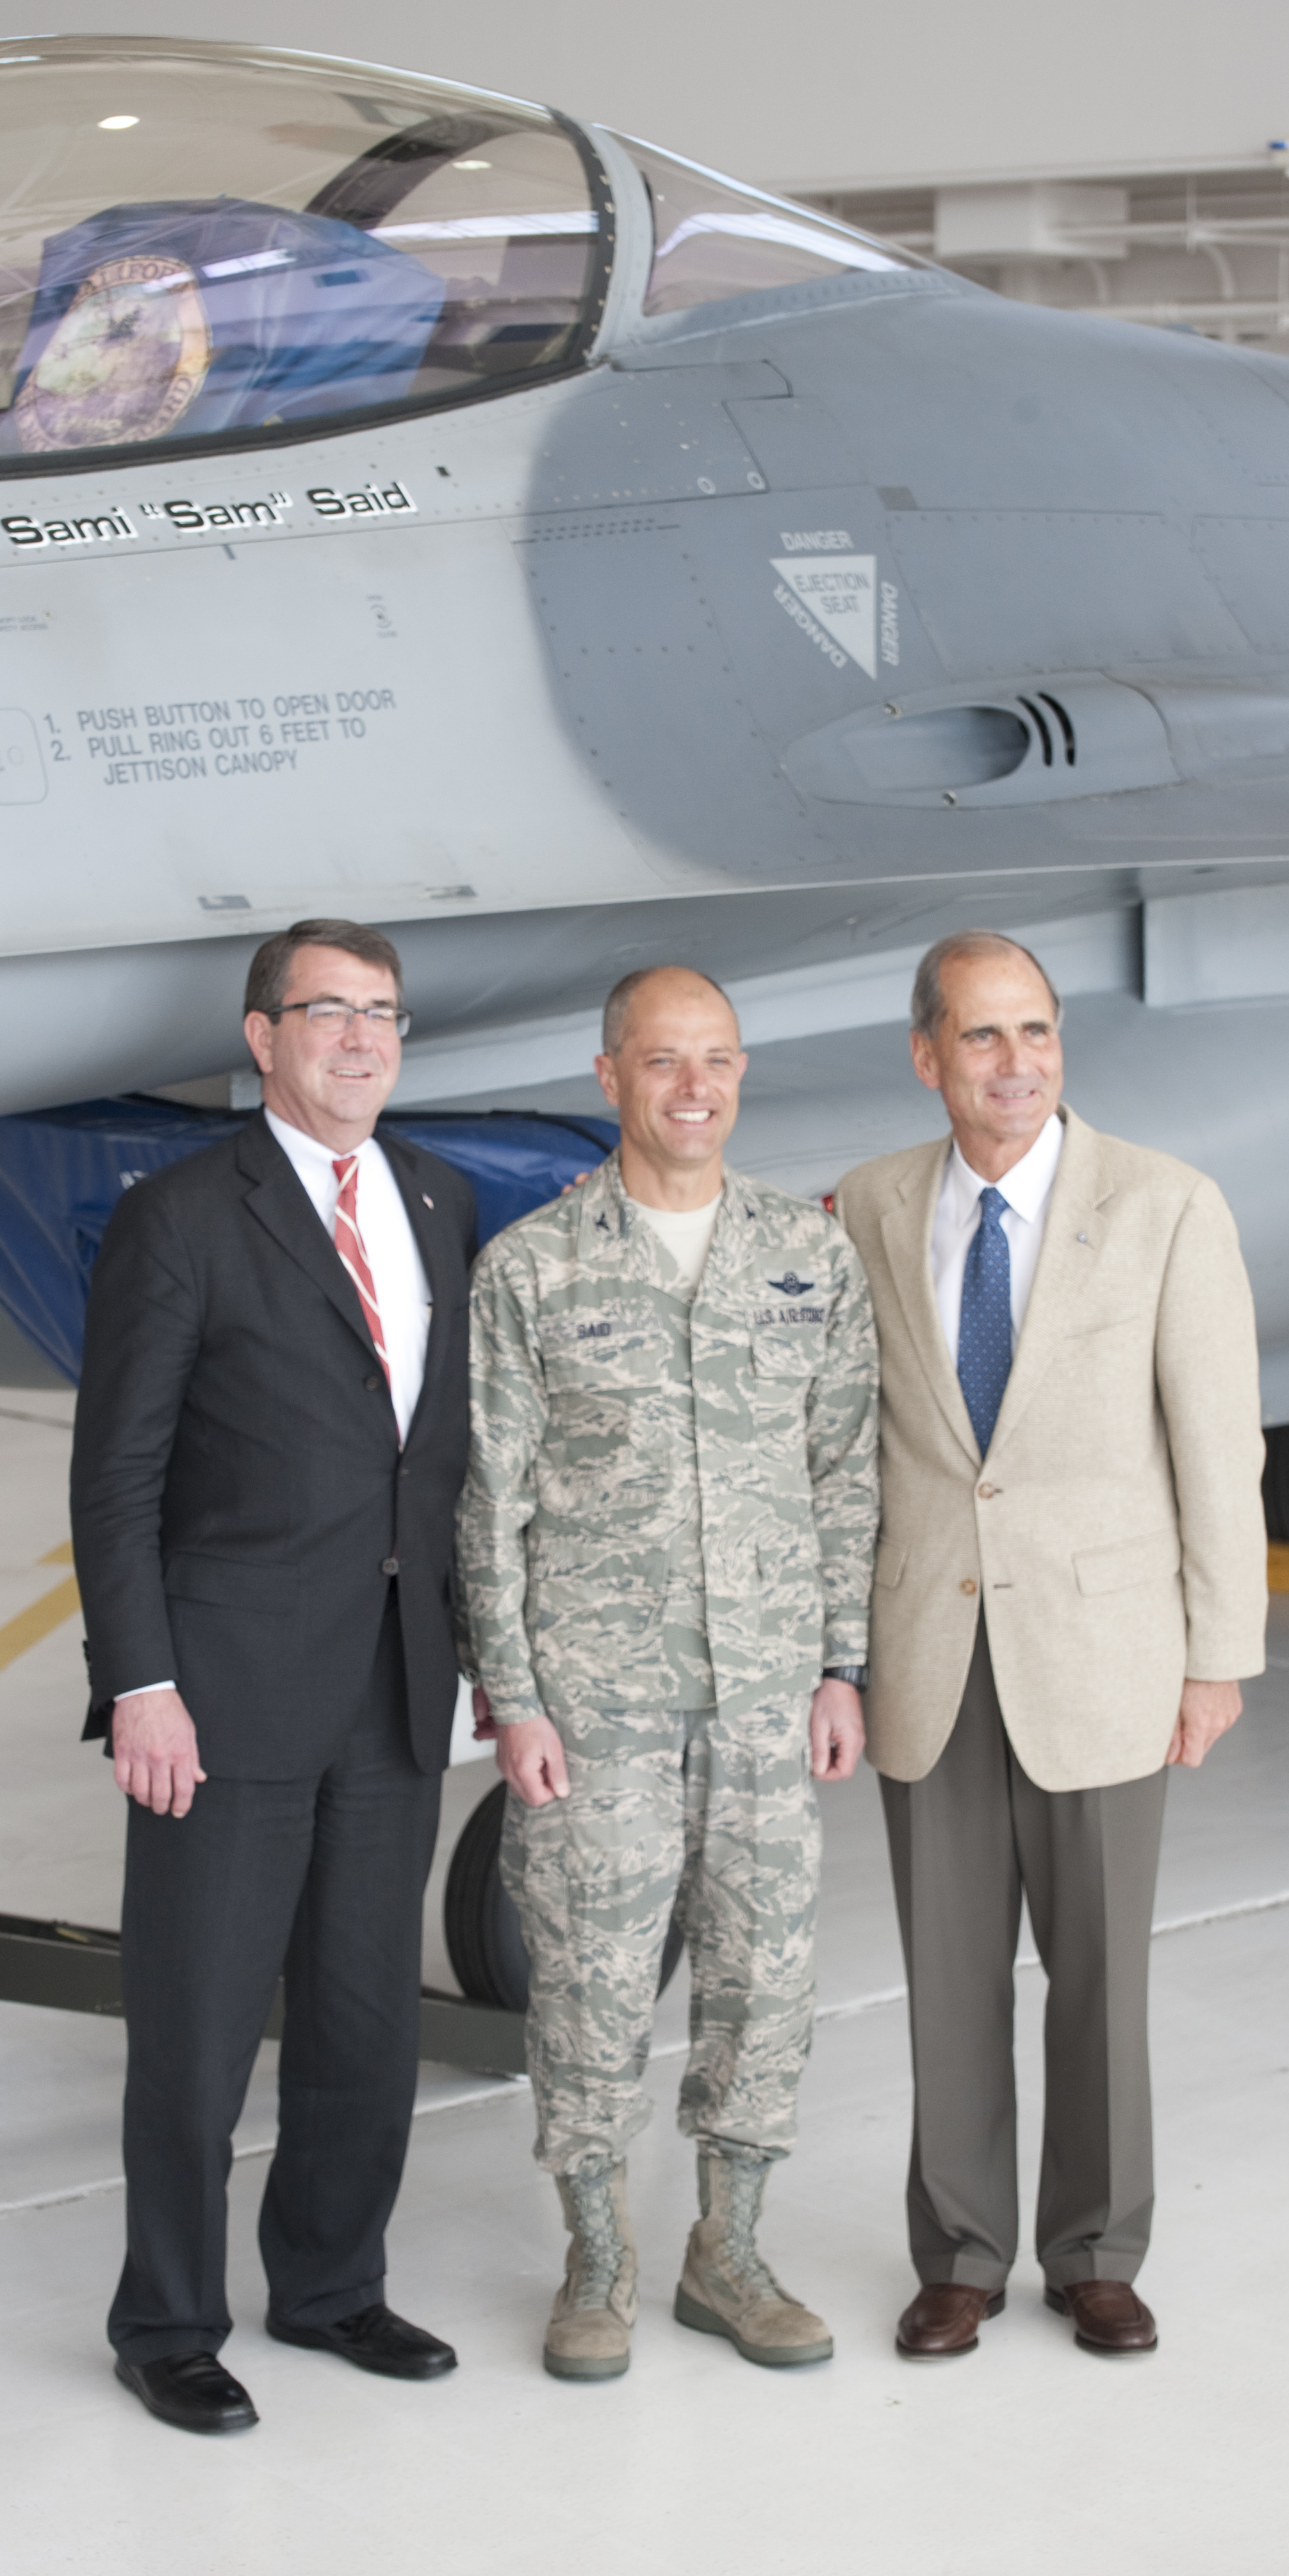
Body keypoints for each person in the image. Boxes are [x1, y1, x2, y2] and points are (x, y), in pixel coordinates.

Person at [70, 917, 477, 2433]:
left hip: (394, 1680)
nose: (361, 1040)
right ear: (262, 1038)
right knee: (195, 2021)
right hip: (225, 1688)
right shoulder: (182, 1216)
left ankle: (328, 2286)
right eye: (327, 1011)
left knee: (368, 2013)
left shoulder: (433, 1198)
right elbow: (116, 1480)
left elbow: (433, 1461)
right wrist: (140, 1683)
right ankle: (167, 2318)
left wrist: (478, 1658)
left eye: (382, 1014)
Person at [835, 933, 1266, 2360]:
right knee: (946, 1977)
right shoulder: (874, 1209)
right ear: (926, 1054)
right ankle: (958, 2253)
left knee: (1101, 1980)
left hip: (1105, 1656)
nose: (1014, 1064)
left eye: (1035, 1033)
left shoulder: (1165, 1206)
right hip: (932, 1652)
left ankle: (1094, 2251)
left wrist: (1221, 1655)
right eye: (981, 1038)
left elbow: (1218, 1448)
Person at [457, 965, 878, 2381]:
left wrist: (841, 1665)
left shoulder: (806, 1257)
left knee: (765, 1980)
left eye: (716, 1060)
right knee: (587, 1985)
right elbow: (491, 1501)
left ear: (742, 1073)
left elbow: (845, 1472)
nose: (693, 1087)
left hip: (768, 1696)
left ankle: (728, 2252)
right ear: (609, 1075)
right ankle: (598, 2257)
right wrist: (513, 1695)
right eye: (662, 1061)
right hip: (599, 1709)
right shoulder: (533, 1267)